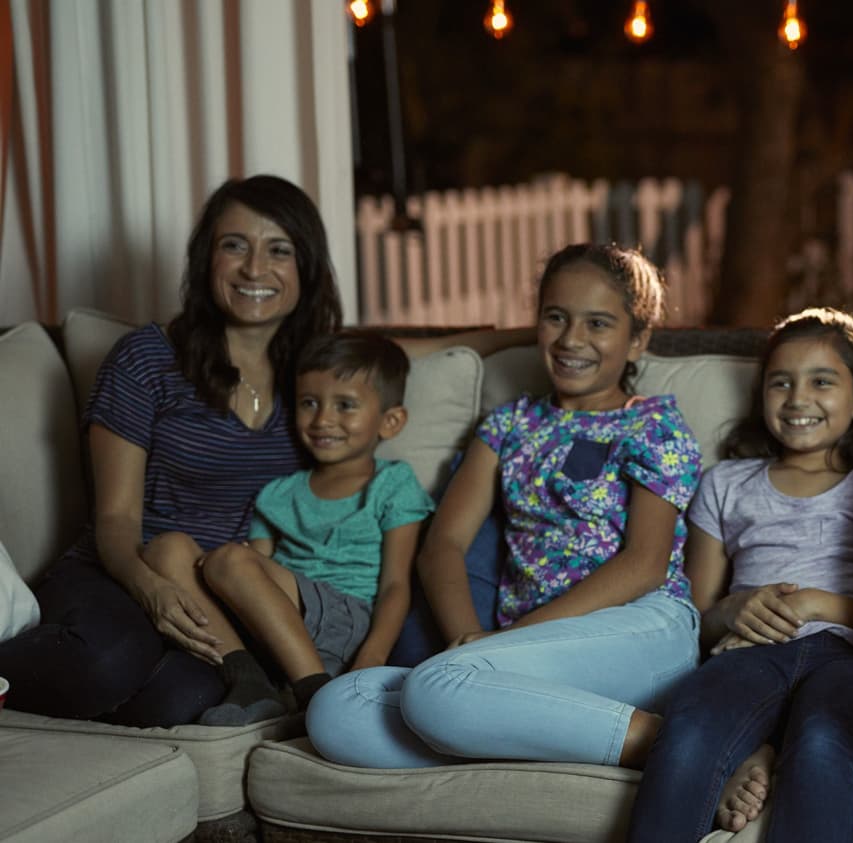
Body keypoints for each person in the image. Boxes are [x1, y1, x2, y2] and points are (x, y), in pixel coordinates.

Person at [305, 243, 702, 770]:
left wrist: (502, 645)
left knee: (438, 689)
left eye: (598, 324)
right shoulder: (509, 424)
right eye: (555, 317)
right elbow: (442, 547)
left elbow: (645, 564)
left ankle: (683, 745)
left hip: (641, 627)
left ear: (638, 340)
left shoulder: (653, 425)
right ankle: (516, 727)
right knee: (338, 708)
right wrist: (467, 642)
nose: (571, 340)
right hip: (515, 655)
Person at [0, 175, 343, 727]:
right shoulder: (146, 359)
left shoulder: (314, 379)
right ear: (206, 259)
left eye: (279, 250)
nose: (255, 269)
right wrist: (153, 591)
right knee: (107, 662)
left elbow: (406, 354)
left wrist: (506, 338)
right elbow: (115, 519)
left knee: (183, 701)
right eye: (235, 245)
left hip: (217, 600)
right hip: (118, 572)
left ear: (307, 268)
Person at [629, 307, 853, 843]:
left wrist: (818, 604)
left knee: (823, 742)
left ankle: (770, 747)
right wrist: (730, 610)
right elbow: (697, 616)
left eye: (822, 381)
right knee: (688, 734)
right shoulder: (727, 483)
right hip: (748, 651)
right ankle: (758, 746)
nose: (798, 399)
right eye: (781, 383)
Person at [139, 333, 434, 726]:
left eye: (345, 405)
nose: (323, 419)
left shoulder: (393, 485)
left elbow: (397, 585)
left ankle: (319, 695)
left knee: (229, 558)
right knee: (167, 549)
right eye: (309, 403)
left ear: (391, 421)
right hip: (274, 626)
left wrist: (372, 658)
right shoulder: (278, 493)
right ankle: (248, 679)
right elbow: (254, 568)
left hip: (345, 619)